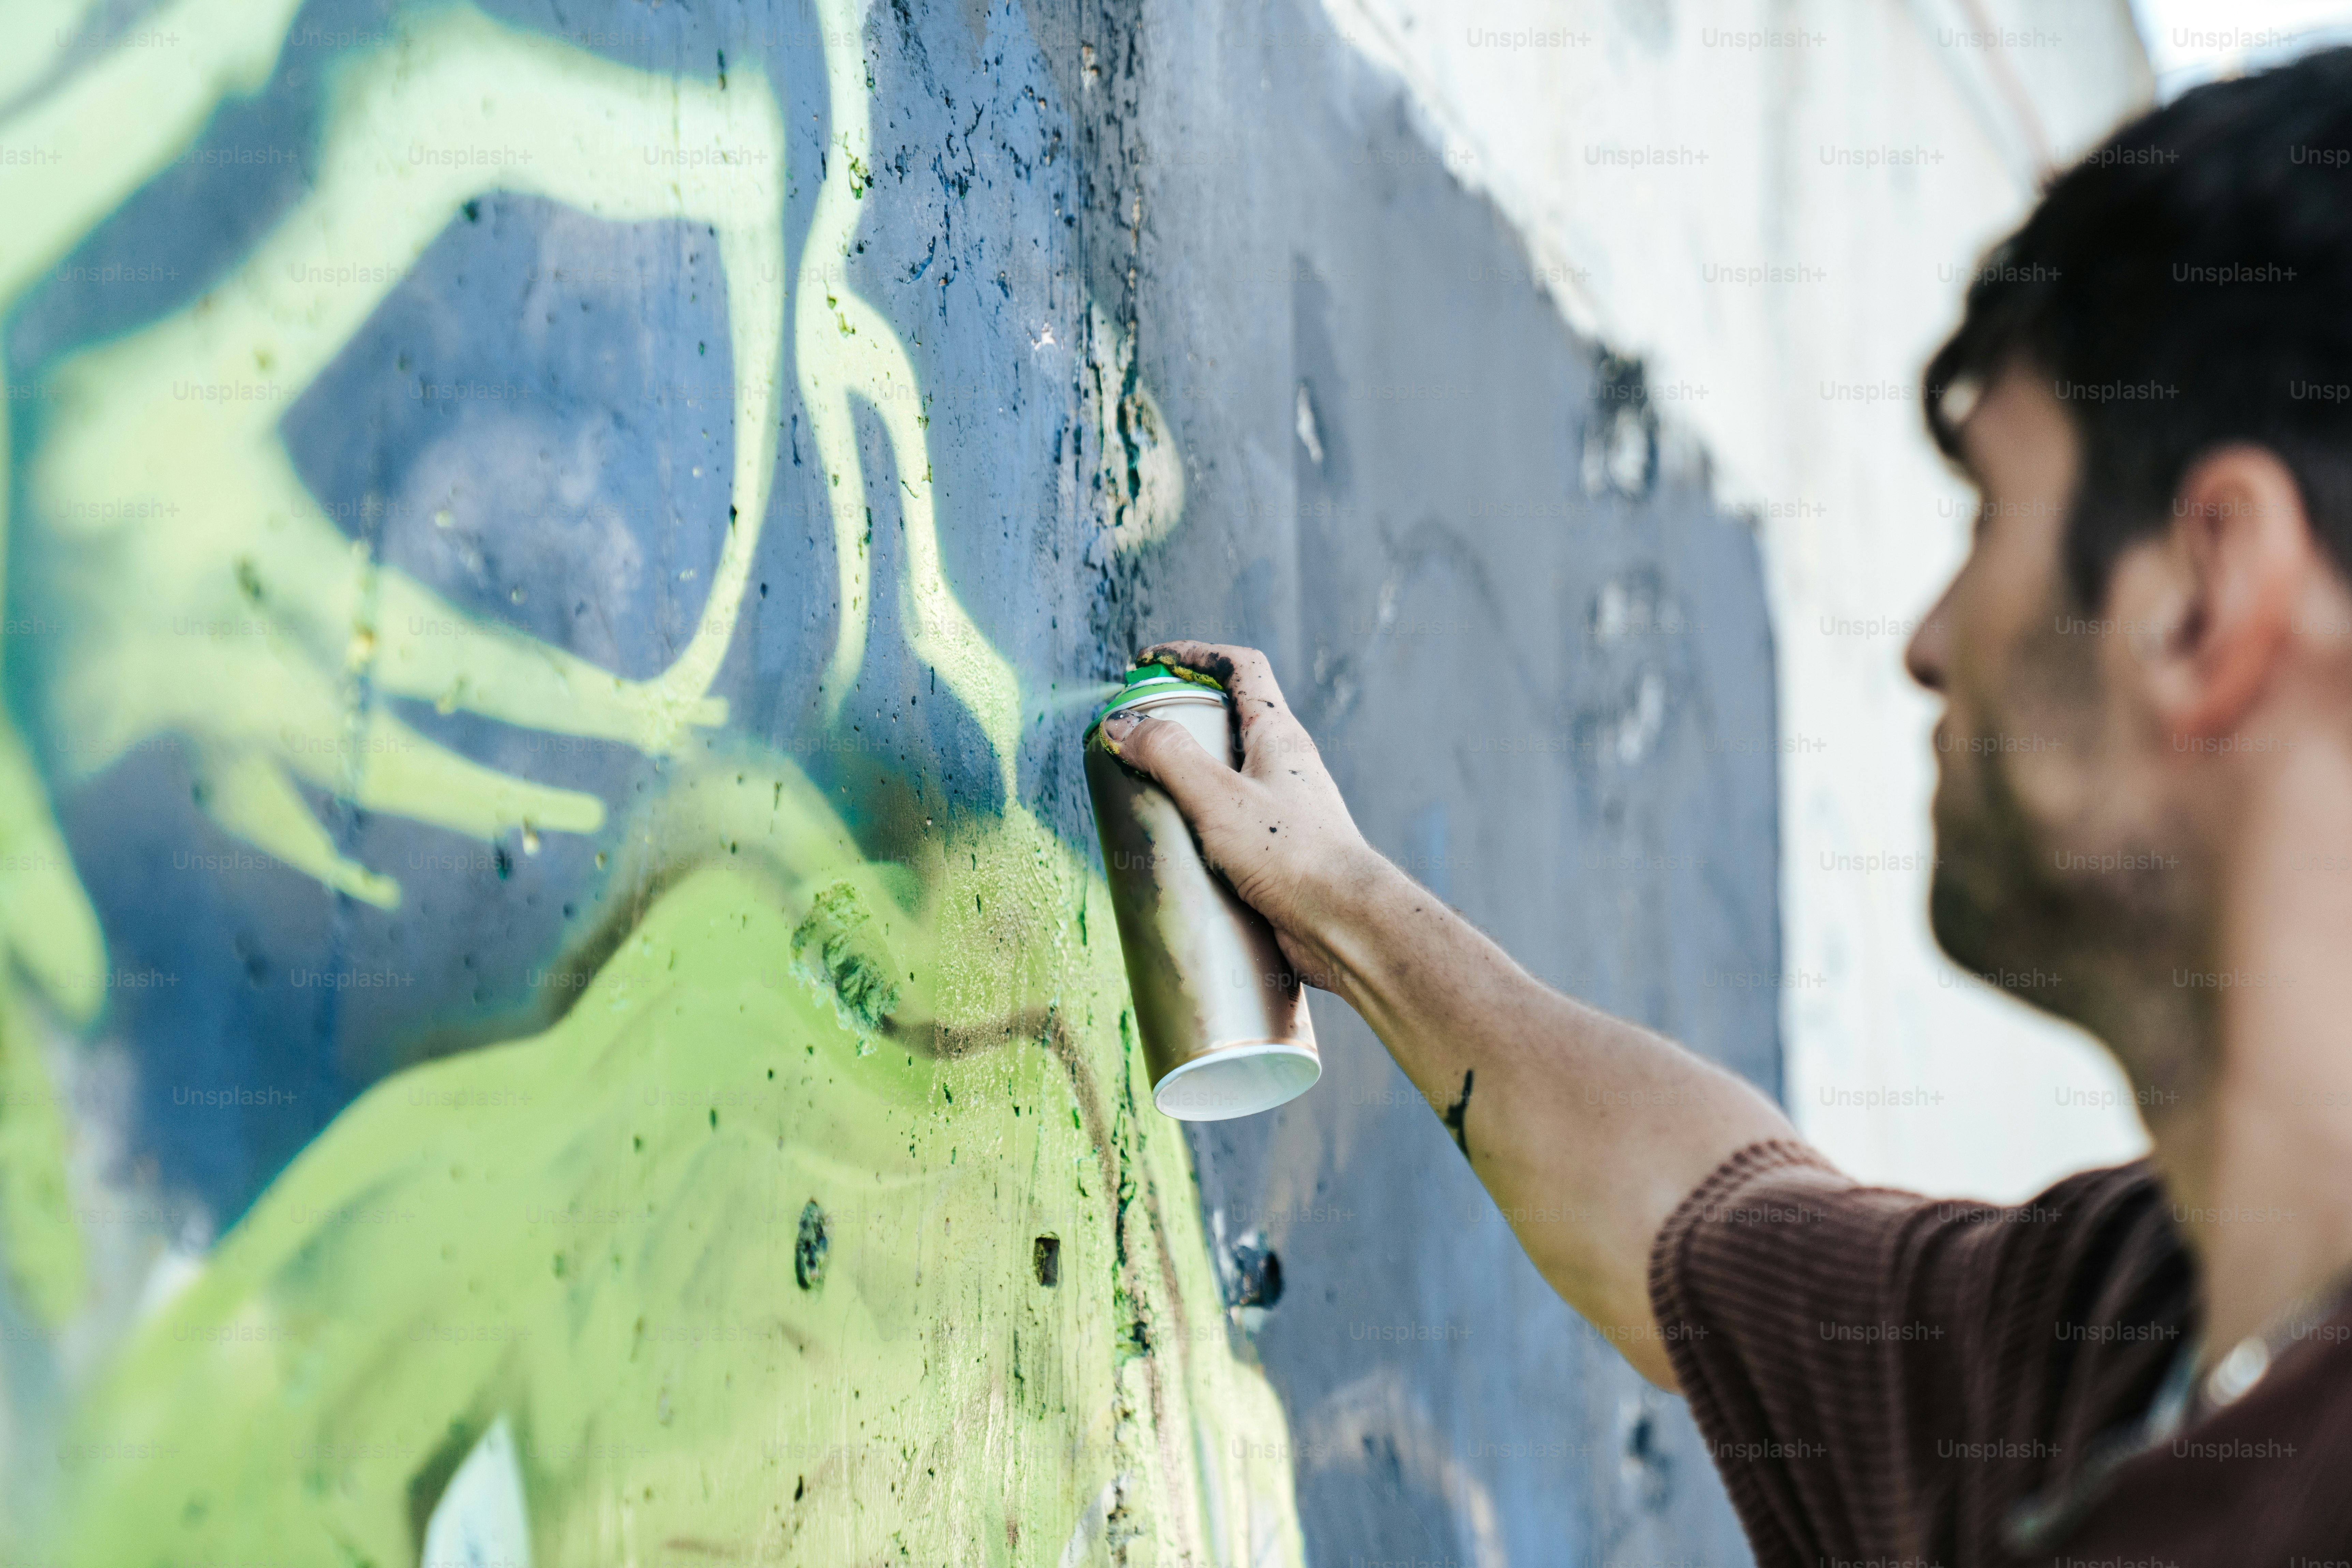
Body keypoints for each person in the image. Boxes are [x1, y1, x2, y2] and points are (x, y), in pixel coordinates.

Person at [1096, 47, 2352, 1566]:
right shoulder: (2105, 1343)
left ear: (2205, 595)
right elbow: (1694, 1222)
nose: (1930, 639)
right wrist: (1345, 901)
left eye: (1992, 515)